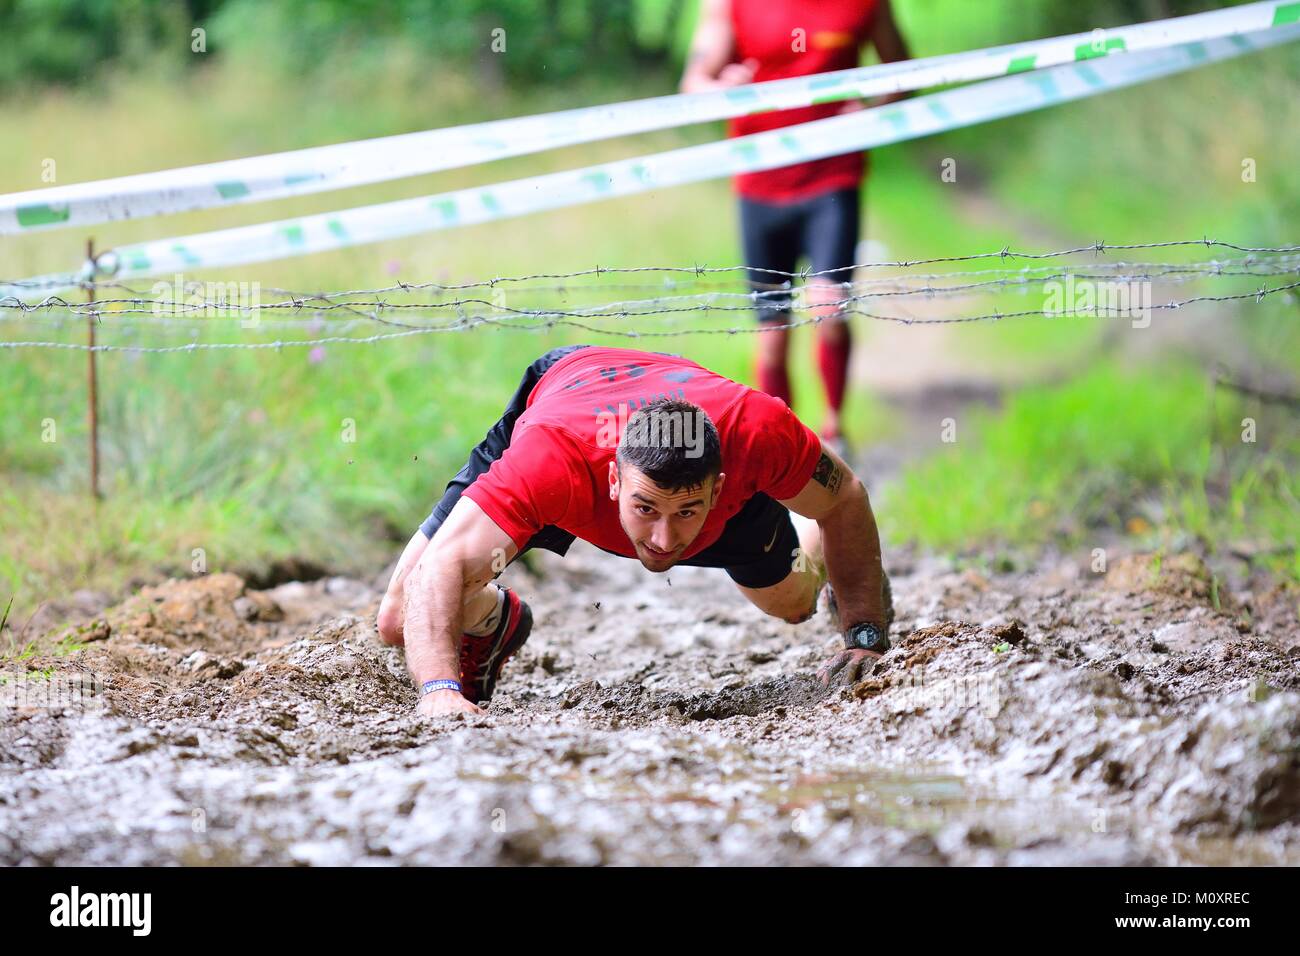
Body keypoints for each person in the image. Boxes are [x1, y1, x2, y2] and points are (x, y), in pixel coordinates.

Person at [376, 344, 893, 717]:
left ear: (718, 489)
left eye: (686, 512)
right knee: (400, 619)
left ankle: (809, 547)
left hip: (702, 439)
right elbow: (440, 566)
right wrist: (439, 691)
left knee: (794, 603)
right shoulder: (549, 463)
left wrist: (864, 632)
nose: (663, 542)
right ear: (613, 481)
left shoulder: (755, 432)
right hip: (570, 394)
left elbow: (845, 497)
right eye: (646, 509)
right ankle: (495, 621)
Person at [680, 0, 912, 453]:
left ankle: (834, 431)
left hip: (833, 178)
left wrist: (872, 108)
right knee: (772, 337)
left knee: (829, 309)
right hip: (759, 182)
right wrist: (717, 88)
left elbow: (903, 71)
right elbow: (693, 82)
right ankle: (784, 447)